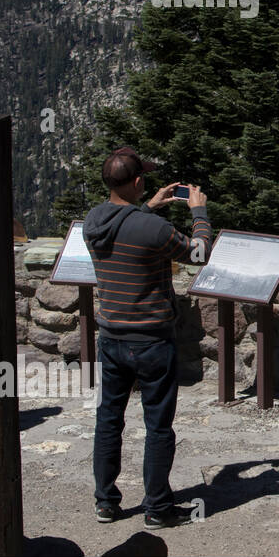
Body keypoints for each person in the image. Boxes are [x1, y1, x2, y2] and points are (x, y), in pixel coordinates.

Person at [83, 147, 214, 529]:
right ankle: (157, 508)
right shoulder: (151, 228)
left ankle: (106, 502)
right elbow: (198, 253)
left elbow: (128, 227)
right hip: (152, 339)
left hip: (111, 335)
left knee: (109, 419)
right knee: (158, 424)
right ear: (138, 181)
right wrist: (198, 211)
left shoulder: (94, 219)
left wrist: (148, 207)